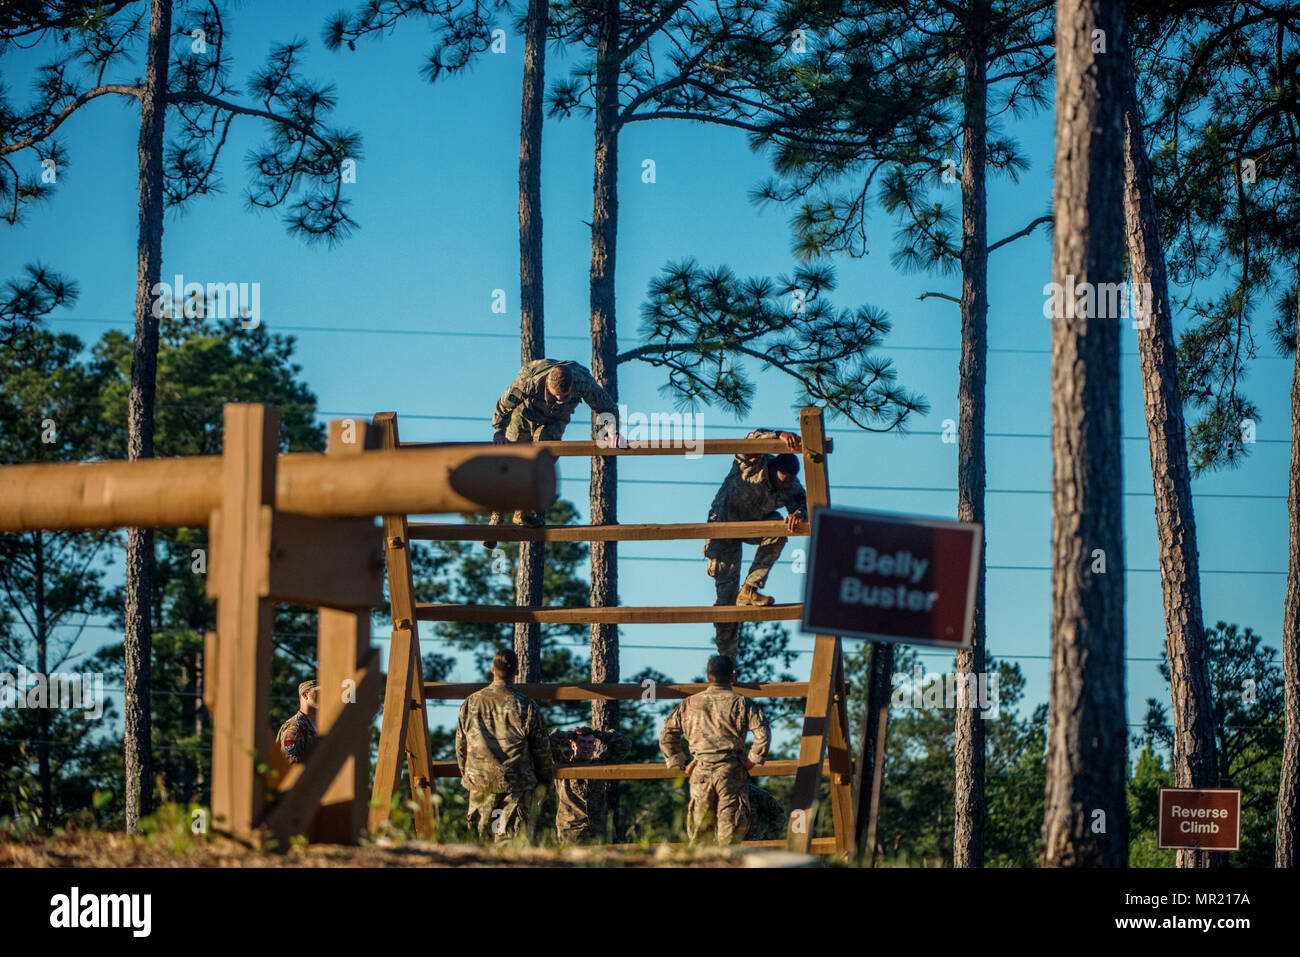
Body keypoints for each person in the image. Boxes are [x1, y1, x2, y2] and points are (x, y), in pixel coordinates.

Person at [484, 359, 617, 547]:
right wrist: (498, 432)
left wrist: (609, 431)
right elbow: (504, 405)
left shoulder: (583, 382)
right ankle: (496, 519)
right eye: (556, 396)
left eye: (564, 395)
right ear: (547, 384)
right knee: (511, 464)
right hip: (525, 416)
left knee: (542, 461)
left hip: (555, 421)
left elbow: (607, 406)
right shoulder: (529, 381)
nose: (560, 399)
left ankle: (524, 511)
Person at [703, 427, 807, 659]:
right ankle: (726, 663)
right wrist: (779, 435)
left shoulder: (791, 486)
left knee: (780, 529)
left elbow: (806, 506)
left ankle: (750, 589)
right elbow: (751, 438)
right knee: (726, 602)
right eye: (781, 481)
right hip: (724, 525)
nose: (784, 486)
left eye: (788, 484)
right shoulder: (753, 461)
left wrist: (798, 514)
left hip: (754, 525)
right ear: (772, 468)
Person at [659, 655, 771, 845]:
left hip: (700, 770)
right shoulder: (742, 703)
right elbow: (762, 732)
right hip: (731, 771)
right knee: (730, 834)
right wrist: (753, 759)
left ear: (707, 676)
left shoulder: (689, 703)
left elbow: (667, 735)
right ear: (732, 676)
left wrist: (681, 762)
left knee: (700, 835)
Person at [455, 648, 554, 842]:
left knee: (480, 844)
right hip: (516, 786)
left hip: (481, 783)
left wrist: (467, 773)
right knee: (511, 843)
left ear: (492, 670)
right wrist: (545, 784)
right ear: (517, 672)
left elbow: (460, 746)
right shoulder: (526, 705)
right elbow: (542, 751)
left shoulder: (471, 703)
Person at [548, 725, 631, 844]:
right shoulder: (563, 765)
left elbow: (624, 744)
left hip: (600, 833)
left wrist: (596, 733)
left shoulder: (601, 765)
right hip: (571, 832)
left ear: (594, 746)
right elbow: (549, 743)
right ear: (573, 745)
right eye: (582, 742)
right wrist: (570, 734)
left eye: (590, 742)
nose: (586, 746)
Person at [277, 679, 318, 765]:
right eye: (319, 692)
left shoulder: (323, 723)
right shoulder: (294, 726)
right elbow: (292, 764)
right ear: (305, 695)